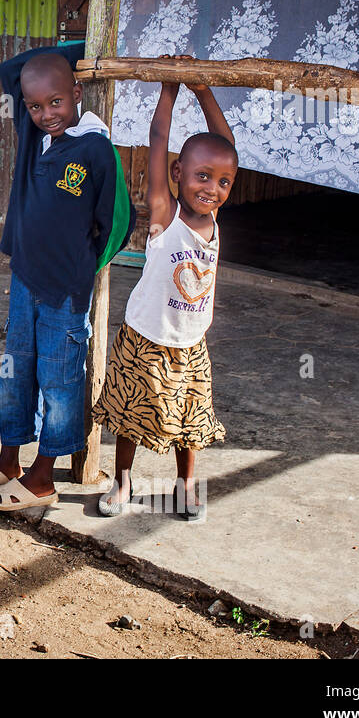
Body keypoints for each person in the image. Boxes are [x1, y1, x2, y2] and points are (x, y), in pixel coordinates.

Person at [0, 45, 134, 512]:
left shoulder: (96, 149)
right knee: (15, 372)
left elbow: (119, 221)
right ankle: (9, 459)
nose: (45, 114)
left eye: (56, 101)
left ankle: (43, 476)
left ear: (76, 92)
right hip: (24, 279)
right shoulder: (31, 133)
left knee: (59, 381)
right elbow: (11, 70)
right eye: (35, 106)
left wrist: (82, 265)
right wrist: (72, 57)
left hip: (65, 291)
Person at [92, 55, 237, 521]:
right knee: (131, 417)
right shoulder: (164, 213)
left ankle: (186, 485)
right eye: (201, 176)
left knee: (191, 423)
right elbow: (159, 140)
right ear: (177, 174)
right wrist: (172, 87)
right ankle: (122, 481)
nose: (212, 188)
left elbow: (226, 145)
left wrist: (204, 89)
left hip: (191, 344)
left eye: (223, 182)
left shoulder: (213, 219)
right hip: (145, 338)